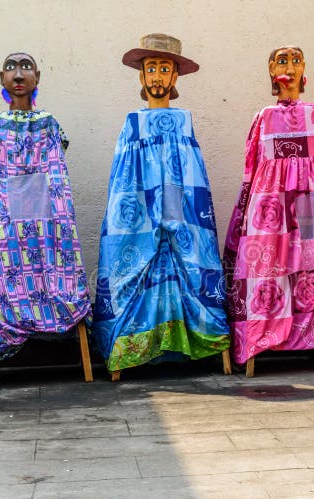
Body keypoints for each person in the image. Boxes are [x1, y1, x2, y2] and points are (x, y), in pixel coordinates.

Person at [223, 46, 314, 366]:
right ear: (270, 71)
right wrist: (248, 208)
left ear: (304, 68)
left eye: (295, 60)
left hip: (313, 202)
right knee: (270, 261)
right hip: (272, 202)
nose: (288, 67)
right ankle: (268, 332)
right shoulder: (264, 117)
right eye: (281, 61)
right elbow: (252, 166)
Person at [93, 34, 230, 375]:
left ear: (175, 77)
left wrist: (177, 215)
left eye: (164, 69)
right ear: (141, 77)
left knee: (190, 270)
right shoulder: (132, 123)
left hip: (179, 213)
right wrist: (145, 217)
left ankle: (194, 343)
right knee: (133, 271)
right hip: (140, 217)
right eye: (150, 68)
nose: (156, 76)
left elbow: (192, 172)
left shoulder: (184, 121)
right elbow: (124, 178)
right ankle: (133, 349)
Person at [0, 52, 90, 359]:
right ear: (1, 78)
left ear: (38, 77)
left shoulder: (49, 125)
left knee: (53, 265)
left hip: (45, 223)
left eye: (26, 67)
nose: (18, 75)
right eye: (11, 68)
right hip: (3, 225)